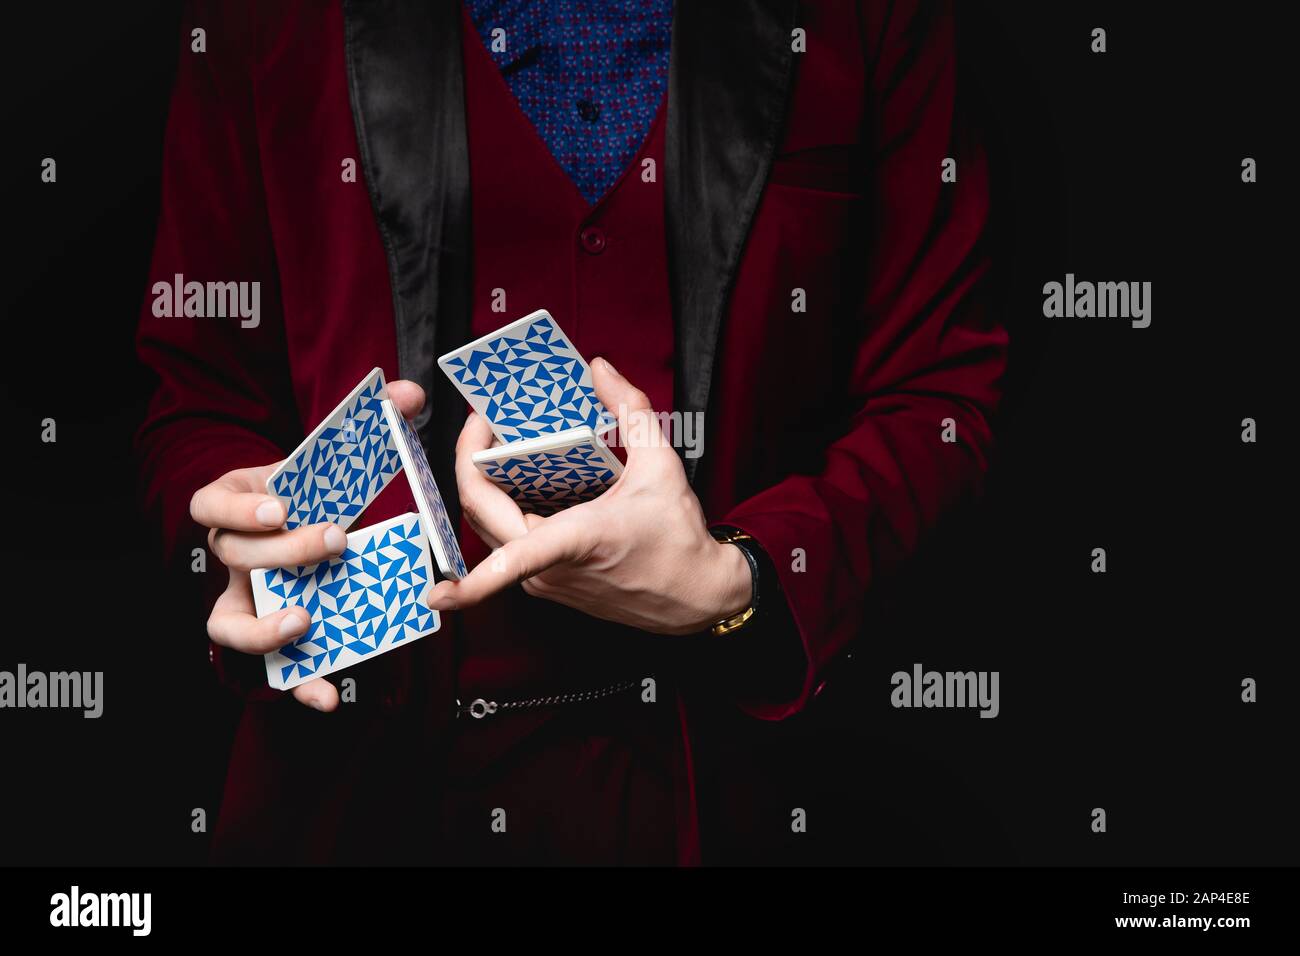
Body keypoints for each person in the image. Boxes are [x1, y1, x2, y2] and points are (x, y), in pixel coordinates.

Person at [136, 0, 1007, 864]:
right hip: (354, 791)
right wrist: (240, 540)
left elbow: (939, 396)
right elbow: (198, 399)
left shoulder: (873, 17)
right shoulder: (257, 17)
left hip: (737, 794)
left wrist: (743, 582)